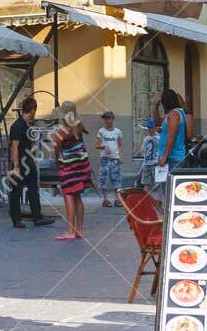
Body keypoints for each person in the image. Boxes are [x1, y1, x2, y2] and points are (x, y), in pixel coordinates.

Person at [6, 97, 51, 228]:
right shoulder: (17, 126)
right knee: (16, 191)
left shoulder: (26, 125)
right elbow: (14, 147)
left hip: (28, 162)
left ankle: (37, 216)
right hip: (19, 163)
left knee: (33, 189)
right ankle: (16, 219)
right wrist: (16, 167)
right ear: (32, 110)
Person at [52, 100, 92, 241]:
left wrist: (56, 158)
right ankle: (79, 229)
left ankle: (70, 230)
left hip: (69, 166)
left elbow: (56, 149)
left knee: (68, 195)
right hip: (82, 165)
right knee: (77, 197)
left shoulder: (61, 131)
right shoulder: (79, 125)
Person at [153, 89, 188, 189]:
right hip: (171, 156)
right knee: (167, 188)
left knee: (169, 189)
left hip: (172, 157)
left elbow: (171, 136)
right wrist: (156, 108)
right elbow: (158, 122)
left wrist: (164, 156)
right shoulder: (172, 114)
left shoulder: (174, 114)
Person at [96, 111, 123, 208]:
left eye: (109, 118)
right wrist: (103, 147)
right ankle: (105, 199)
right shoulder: (101, 131)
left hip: (115, 158)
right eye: (106, 119)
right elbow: (97, 145)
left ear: (113, 119)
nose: (107, 120)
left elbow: (119, 145)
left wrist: (120, 156)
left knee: (116, 178)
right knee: (104, 178)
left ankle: (117, 199)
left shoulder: (117, 132)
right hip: (105, 158)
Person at [137, 117, 162, 188]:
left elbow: (161, 150)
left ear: (155, 128)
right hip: (146, 163)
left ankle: (159, 198)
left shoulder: (158, 138)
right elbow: (143, 150)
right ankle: (146, 198)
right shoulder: (146, 139)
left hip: (155, 163)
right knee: (145, 182)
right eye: (148, 128)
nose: (150, 129)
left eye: (151, 128)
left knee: (157, 183)